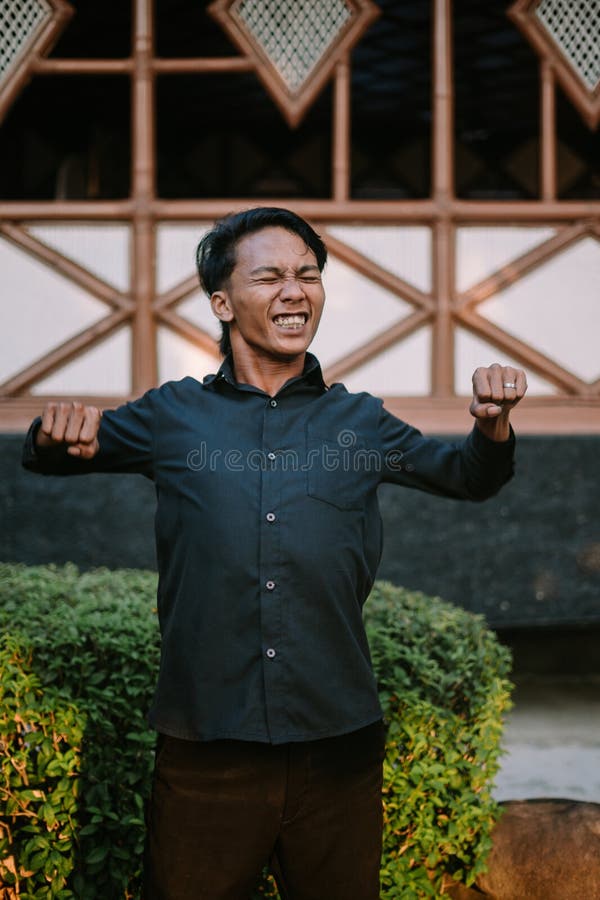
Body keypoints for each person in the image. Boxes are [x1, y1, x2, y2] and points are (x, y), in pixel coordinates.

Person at [22, 206, 527, 900]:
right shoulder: (171, 417)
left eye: (308, 275)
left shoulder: (360, 422)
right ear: (222, 302)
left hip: (337, 745)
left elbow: (469, 475)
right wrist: (53, 435)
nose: (295, 291)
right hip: (206, 749)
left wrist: (493, 424)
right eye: (270, 277)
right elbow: (58, 454)